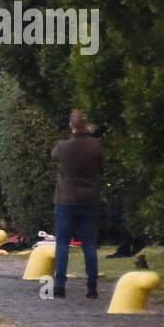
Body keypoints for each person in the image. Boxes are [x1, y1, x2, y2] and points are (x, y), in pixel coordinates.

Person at [51, 110, 104, 299]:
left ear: (71, 125)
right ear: (86, 124)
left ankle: (59, 285)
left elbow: (54, 156)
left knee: (62, 244)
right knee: (89, 245)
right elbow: (101, 166)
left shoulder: (63, 147)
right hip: (89, 199)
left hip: (66, 200)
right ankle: (92, 286)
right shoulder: (96, 147)